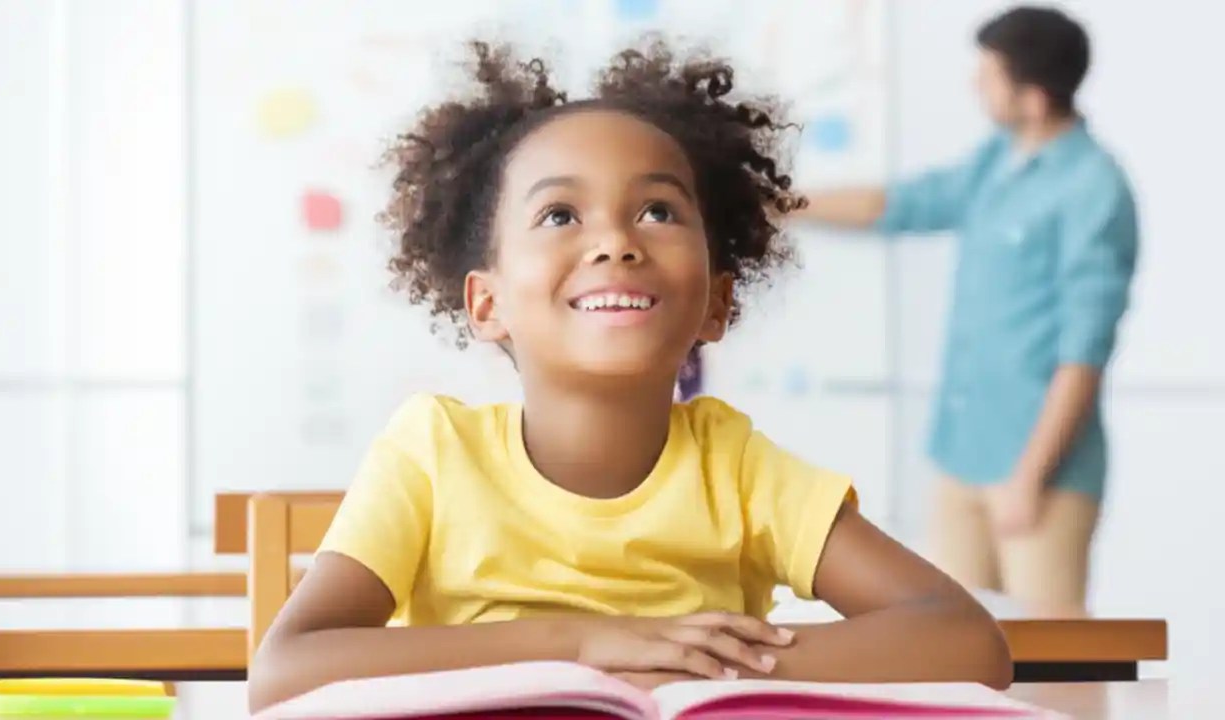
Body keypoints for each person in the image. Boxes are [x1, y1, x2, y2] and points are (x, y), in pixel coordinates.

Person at [247, 39, 1011, 712]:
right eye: (558, 216)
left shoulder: (737, 469)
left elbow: (966, 640)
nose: (615, 240)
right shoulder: (431, 452)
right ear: (488, 303)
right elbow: (287, 672)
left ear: (717, 302)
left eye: (657, 211)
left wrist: (692, 670)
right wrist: (582, 646)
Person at [797, 7, 1138, 618]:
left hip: (1040, 473)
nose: (975, 85)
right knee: (954, 652)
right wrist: (779, 201)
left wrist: (1029, 478)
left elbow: (1082, 355)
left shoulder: (1094, 188)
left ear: (1031, 97)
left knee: (1049, 671)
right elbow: (896, 205)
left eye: (988, 74)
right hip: (960, 456)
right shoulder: (995, 161)